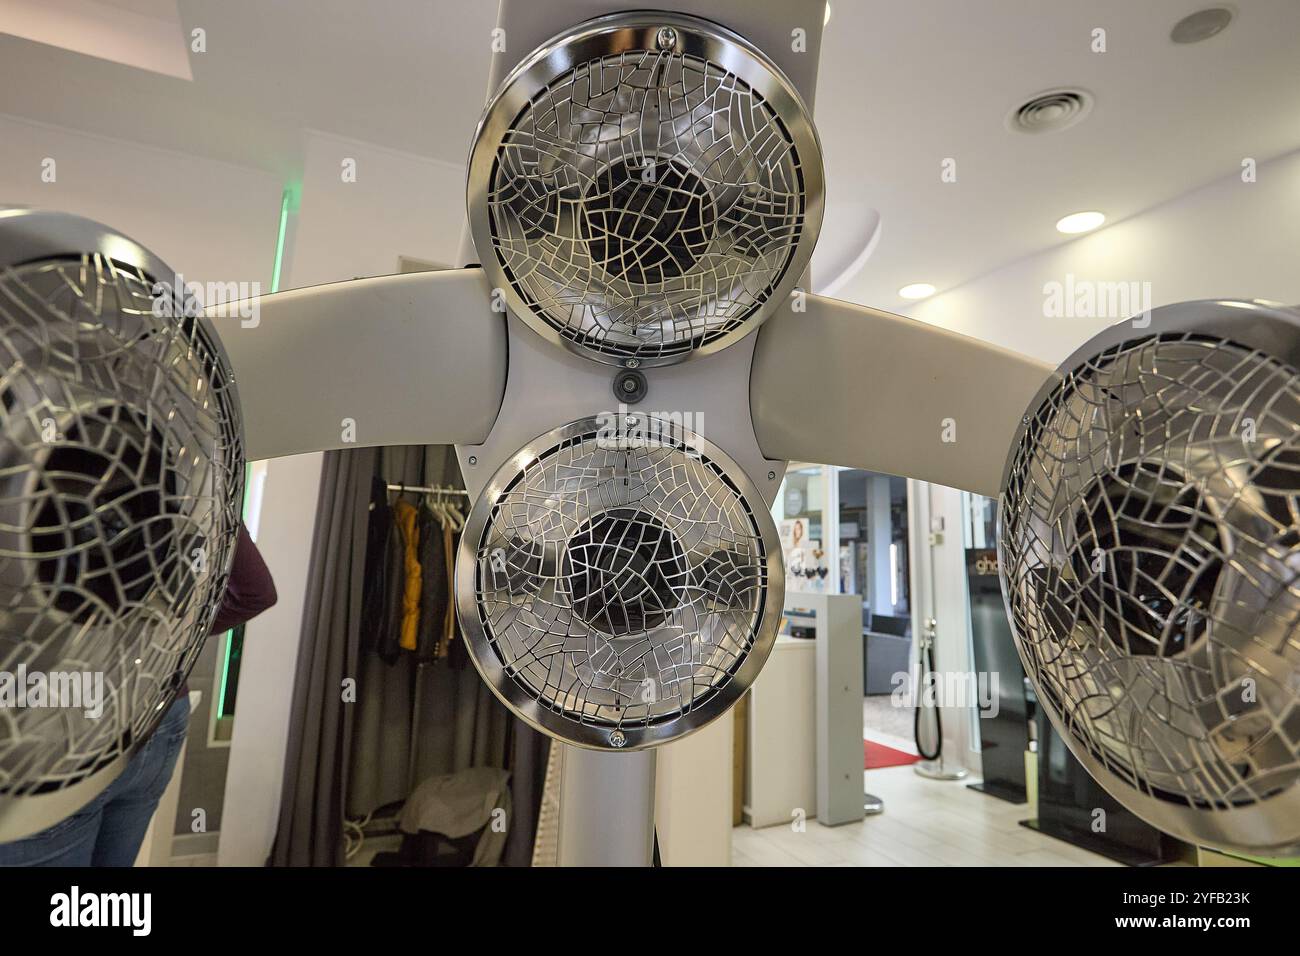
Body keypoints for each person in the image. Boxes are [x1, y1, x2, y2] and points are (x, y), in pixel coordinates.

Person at [0, 524, 276, 867]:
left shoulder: (18, 482)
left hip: (52, 730)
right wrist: (168, 642)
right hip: (156, 717)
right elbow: (256, 592)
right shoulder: (196, 475)